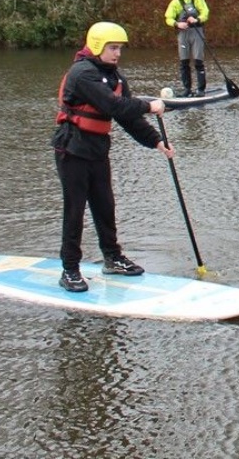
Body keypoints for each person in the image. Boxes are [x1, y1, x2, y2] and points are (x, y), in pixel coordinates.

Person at [52, 21, 176, 292]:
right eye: (113, 48)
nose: (118, 53)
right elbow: (113, 105)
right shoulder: (82, 73)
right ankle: (70, 270)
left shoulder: (115, 77)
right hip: (72, 150)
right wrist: (149, 105)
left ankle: (112, 258)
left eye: (120, 48)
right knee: (75, 211)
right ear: (97, 46)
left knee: (105, 206)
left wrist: (156, 141)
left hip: (97, 149)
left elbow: (128, 118)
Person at [164, 0, 210, 96]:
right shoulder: (175, 2)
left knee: (198, 61)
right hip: (183, 34)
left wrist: (197, 19)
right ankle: (187, 90)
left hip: (197, 32)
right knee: (184, 63)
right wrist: (177, 24)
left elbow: (205, 12)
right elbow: (168, 18)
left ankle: (201, 89)